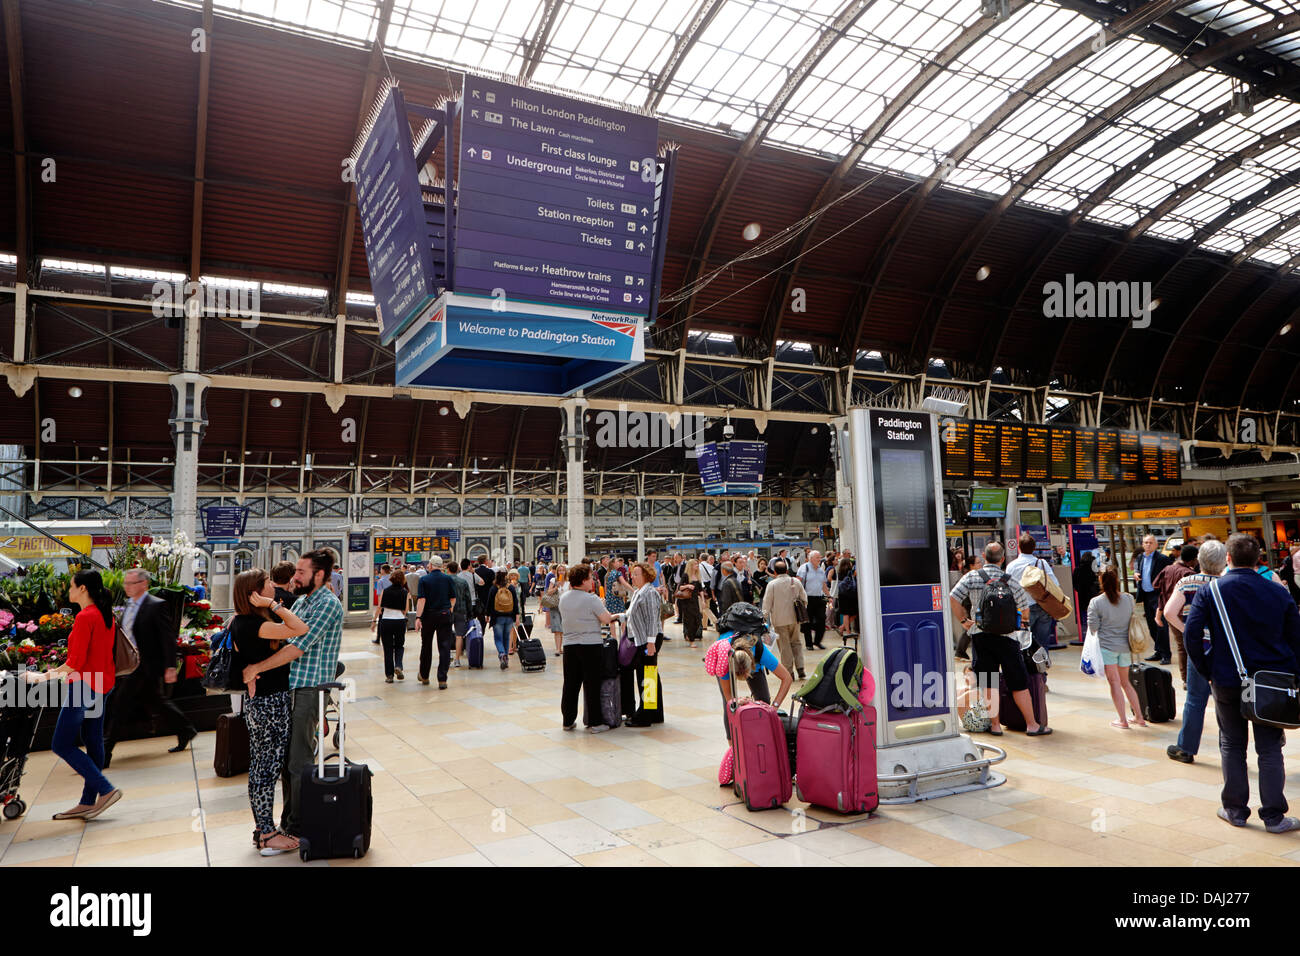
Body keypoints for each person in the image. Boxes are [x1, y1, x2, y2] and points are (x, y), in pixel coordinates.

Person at [1186, 533, 1300, 832]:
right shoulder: (1278, 592)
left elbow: (1191, 635)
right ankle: (1274, 816)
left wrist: (1206, 668)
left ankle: (1235, 810)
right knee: (1270, 748)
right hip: (1271, 682)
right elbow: (1296, 639)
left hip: (1226, 678)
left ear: (1228, 558)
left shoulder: (1211, 592)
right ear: (1259, 558)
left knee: (1232, 744)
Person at [241, 549, 343, 839]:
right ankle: (289, 821)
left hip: (309, 689)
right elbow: (281, 635)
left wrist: (257, 667)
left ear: (319, 575)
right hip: (292, 687)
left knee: (299, 760)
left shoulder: (327, 605)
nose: (294, 577)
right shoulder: (303, 601)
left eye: (301, 572)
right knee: (288, 761)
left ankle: (299, 826)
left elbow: (296, 647)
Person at [31, 569, 123, 821]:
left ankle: (105, 790)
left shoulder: (85, 617)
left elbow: (75, 662)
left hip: (84, 686)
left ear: (83, 589)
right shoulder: (106, 615)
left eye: (71, 585)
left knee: (61, 744)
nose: (68, 589)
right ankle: (87, 802)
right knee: (93, 740)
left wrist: (42, 676)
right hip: (102, 684)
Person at [229, 568, 308, 855]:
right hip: (268, 702)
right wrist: (273, 606)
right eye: (267, 585)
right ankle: (267, 833)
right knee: (267, 769)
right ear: (255, 592)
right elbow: (300, 629)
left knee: (261, 767)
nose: (273, 587)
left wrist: (270, 608)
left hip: (261, 700)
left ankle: (262, 828)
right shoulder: (253, 624)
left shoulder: (244, 622)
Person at [949, 542, 1049, 736]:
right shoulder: (1010, 581)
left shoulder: (971, 577)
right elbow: (1025, 610)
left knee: (988, 682)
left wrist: (964, 621)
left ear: (984, 557)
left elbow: (953, 598)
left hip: (980, 636)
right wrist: (1018, 622)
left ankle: (995, 726)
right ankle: (1032, 725)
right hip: (1008, 638)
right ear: (1003, 559)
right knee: (1018, 683)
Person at [104, 568, 197, 767]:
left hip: (147, 665)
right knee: (158, 701)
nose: (127, 587)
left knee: (119, 705)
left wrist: (170, 666)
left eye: (131, 583)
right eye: (126, 583)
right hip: (131, 665)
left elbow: (167, 638)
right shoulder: (127, 606)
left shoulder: (156, 605)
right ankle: (186, 729)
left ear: (143, 584)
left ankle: (105, 751)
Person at [1163, 539, 1226, 763]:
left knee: (1195, 699)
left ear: (1199, 560)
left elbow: (1169, 613)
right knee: (1226, 700)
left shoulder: (1187, 582)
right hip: (1225, 651)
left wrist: (1189, 632)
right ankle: (1228, 748)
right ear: (1224, 560)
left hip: (1199, 649)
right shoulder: (1227, 583)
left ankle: (1186, 748)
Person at [713, 604, 793, 740]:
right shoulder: (724, 660)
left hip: (752, 658)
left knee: (764, 701)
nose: (744, 678)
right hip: (728, 658)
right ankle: (733, 745)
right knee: (730, 707)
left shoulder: (760, 652)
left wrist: (774, 707)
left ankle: (764, 737)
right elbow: (729, 699)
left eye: (747, 675)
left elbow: (787, 678)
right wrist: (736, 701)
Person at [558, 564, 618, 732]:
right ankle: (595, 722)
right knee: (591, 684)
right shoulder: (591, 599)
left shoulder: (564, 597)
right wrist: (618, 616)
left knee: (570, 684)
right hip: (590, 645)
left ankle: (568, 720)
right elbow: (606, 618)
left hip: (570, 645)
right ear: (583, 580)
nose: (592, 581)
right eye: (590, 578)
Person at [1086, 566, 1146, 731]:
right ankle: (1139, 717)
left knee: (1114, 683)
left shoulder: (1096, 602)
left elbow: (1093, 627)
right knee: (1126, 682)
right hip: (1126, 646)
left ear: (1101, 581)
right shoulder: (1128, 599)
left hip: (1107, 648)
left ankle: (1122, 720)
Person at [620, 562, 665, 726]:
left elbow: (653, 619)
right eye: (632, 573)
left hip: (648, 639)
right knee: (650, 675)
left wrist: (651, 643)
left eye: (636, 574)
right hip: (643, 639)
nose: (632, 576)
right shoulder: (639, 591)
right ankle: (654, 713)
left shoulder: (649, 593)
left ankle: (645, 716)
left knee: (646, 677)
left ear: (646, 576)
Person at [1006, 533, 1061, 652]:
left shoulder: (1012, 566)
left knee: (1023, 643)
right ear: (1034, 548)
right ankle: (1041, 668)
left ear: (1019, 547)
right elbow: (1055, 584)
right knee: (1042, 643)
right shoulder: (1042, 563)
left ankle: (1026, 668)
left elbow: (1008, 589)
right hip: (1043, 607)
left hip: (1022, 610)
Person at [1154, 544, 1200, 685]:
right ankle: (1194, 679)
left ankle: (1185, 679)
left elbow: (1158, 588)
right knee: (1192, 646)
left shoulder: (1168, 569)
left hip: (1171, 614)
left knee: (1181, 647)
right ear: (1193, 560)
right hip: (1187, 614)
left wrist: (1159, 612)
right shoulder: (1189, 575)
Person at [762, 559, 808, 679]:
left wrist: (763, 618)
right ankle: (800, 668)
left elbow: (767, 604)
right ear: (787, 570)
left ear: (775, 572)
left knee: (784, 646)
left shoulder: (772, 584)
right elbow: (804, 598)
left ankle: (789, 672)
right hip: (795, 619)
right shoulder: (796, 582)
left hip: (779, 620)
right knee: (796, 642)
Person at [416, 556, 457, 688]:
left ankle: (424, 675)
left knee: (426, 645)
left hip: (428, 615)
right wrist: (448, 610)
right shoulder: (448, 578)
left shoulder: (424, 579)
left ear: (431, 565)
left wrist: (418, 617)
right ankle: (442, 679)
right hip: (444, 615)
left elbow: (421, 600)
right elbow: (453, 598)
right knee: (444, 646)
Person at [1132, 534, 1173, 664]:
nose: (1148, 545)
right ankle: (1159, 651)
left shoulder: (1162, 559)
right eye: (1146, 542)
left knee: (1161, 624)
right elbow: (1137, 568)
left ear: (1156, 545)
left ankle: (1166, 654)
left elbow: (1170, 575)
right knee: (1151, 625)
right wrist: (1135, 573)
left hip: (1158, 595)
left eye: (1150, 542)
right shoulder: (1140, 557)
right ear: (1142, 544)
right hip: (1146, 595)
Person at [371, 569, 409, 683]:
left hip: (386, 621)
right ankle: (398, 665)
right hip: (399, 621)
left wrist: (374, 621)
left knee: (387, 648)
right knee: (399, 646)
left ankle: (389, 675)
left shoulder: (385, 591)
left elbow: (379, 607)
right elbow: (405, 610)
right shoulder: (404, 592)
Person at [796, 550, 830, 650]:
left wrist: (829, 596)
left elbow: (823, 585)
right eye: (817, 558)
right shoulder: (804, 568)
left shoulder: (820, 570)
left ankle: (817, 641)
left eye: (820, 557)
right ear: (810, 559)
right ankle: (809, 644)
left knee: (822, 619)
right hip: (807, 598)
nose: (819, 559)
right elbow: (798, 582)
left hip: (820, 598)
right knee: (807, 622)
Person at [487, 569, 521, 669]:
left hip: (497, 617)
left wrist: (487, 615)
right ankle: (506, 657)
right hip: (509, 617)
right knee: (506, 638)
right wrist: (517, 616)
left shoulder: (493, 588)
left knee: (498, 638)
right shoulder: (511, 587)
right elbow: (515, 603)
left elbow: (489, 603)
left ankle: (502, 654)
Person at [677, 558, 704, 647]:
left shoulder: (697, 576)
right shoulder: (685, 575)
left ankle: (689, 634)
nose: (697, 565)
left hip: (695, 601)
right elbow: (680, 587)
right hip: (686, 601)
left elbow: (701, 590)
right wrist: (688, 585)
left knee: (698, 619)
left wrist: (703, 601)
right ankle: (692, 640)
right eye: (695, 564)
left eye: (697, 564)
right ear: (691, 565)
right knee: (690, 620)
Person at [451, 563, 473, 668]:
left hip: (447, 611)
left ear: (448, 569)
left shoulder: (445, 581)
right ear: (457, 569)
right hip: (461, 610)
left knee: (445, 634)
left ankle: (446, 657)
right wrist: (470, 613)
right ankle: (457, 659)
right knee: (459, 635)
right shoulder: (463, 582)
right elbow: (468, 598)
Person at [544, 562, 569, 656]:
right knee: (557, 628)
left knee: (565, 628)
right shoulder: (553, 580)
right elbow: (548, 592)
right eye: (559, 570)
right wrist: (555, 587)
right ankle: (558, 649)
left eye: (563, 570)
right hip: (555, 606)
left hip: (566, 607)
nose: (561, 572)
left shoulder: (568, 582)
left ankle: (564, 647)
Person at [1073, 551, 1099, 639]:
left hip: (1081, 596)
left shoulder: (1077, 569)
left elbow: (1074, 584)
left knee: (1084, 616)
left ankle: (1085, 634)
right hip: (1093, 595)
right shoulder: (1093, 569)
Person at [834, 556, 858, 640]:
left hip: (842, 594)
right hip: (851, 594)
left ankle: (845, 629)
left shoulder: (840, 571)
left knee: (845, 613)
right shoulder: (851, 571)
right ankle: (846, 630)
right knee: (855, 613)